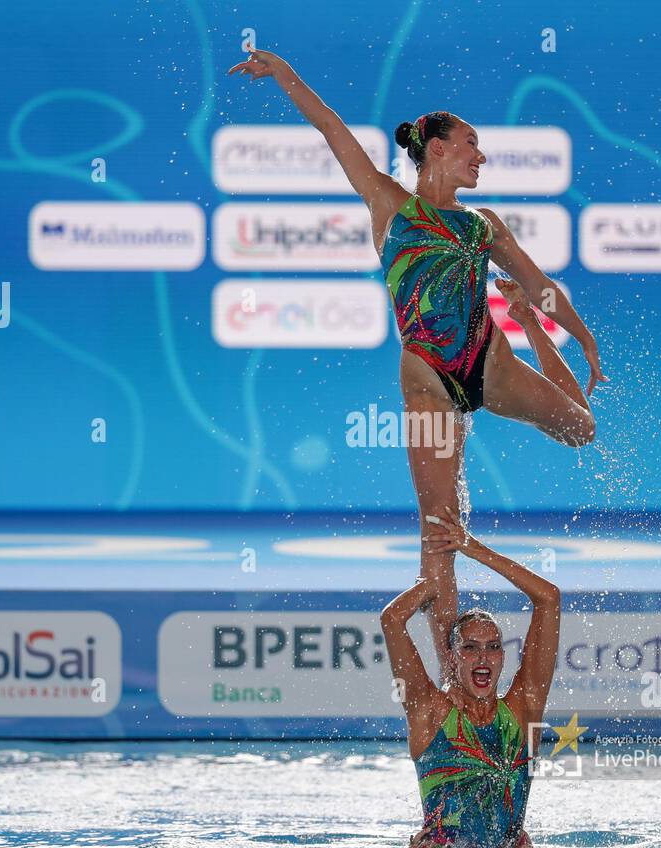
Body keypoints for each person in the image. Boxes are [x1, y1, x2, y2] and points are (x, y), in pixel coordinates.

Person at [228, 47, 602, 686]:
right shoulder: (390, 205)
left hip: (488, 360)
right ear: (435, 149)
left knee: (581, 429)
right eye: (471, 145)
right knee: (438, 532)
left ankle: (532, 341)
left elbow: (538, 284)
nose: (480, 157)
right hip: (429, 380)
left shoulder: (483, 226)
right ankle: (455, 683)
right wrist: (285, 73)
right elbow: (332, 130)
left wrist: (578, 335)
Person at [380, 506, 561, 848]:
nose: (483, 657)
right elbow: (392, 619)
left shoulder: (523, 709)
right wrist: (433, 583)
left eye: (493, 647)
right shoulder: (431, 712)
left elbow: (549, 597)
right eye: (470, 648)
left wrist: (472, 548)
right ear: (452, 658)